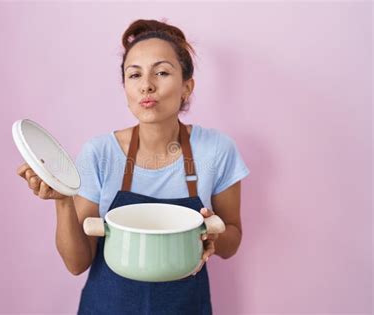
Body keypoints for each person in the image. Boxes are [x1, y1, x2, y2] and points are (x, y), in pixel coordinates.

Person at [17, 19, 250, 315]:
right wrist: (63, 200)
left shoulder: (217, 150)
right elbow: (77, 264)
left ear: (186, 87)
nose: (146, 85)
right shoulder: (99, 153)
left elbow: (232, 242)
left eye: (162, 72)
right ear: (125, 87)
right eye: (134, 75)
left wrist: (212, 232)